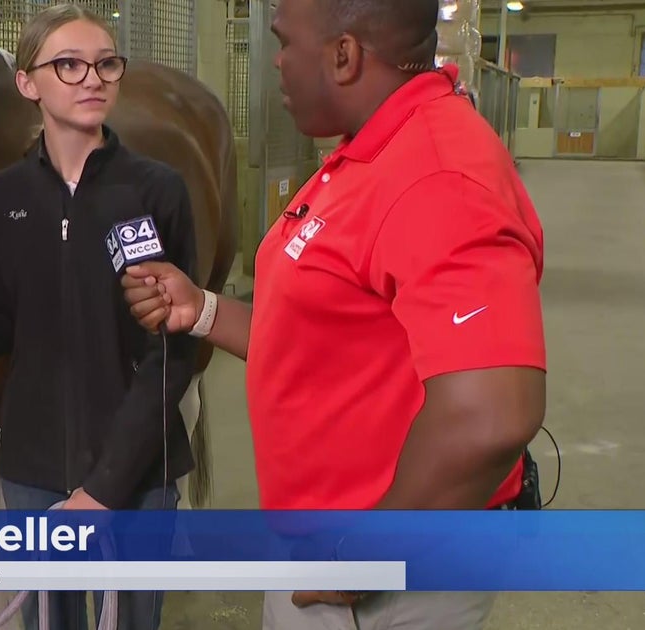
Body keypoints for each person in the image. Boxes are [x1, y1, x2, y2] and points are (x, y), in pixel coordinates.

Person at [120, 0, 547, 628]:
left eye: (284, 43)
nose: (277, 63)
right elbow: (320, 334)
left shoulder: (437, 176)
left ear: (344, 55)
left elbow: (492, 415)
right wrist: (203, 309)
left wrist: (366, 556)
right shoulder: (370, 153)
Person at [0, 4, 199, 630]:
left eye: (106, 64)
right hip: (33, 474)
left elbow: (172, 353)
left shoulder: (157, 191)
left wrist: (106, 487)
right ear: (27, 83)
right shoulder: (4, 199)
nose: (93, 79)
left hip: (139, 473)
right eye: (69, 65)